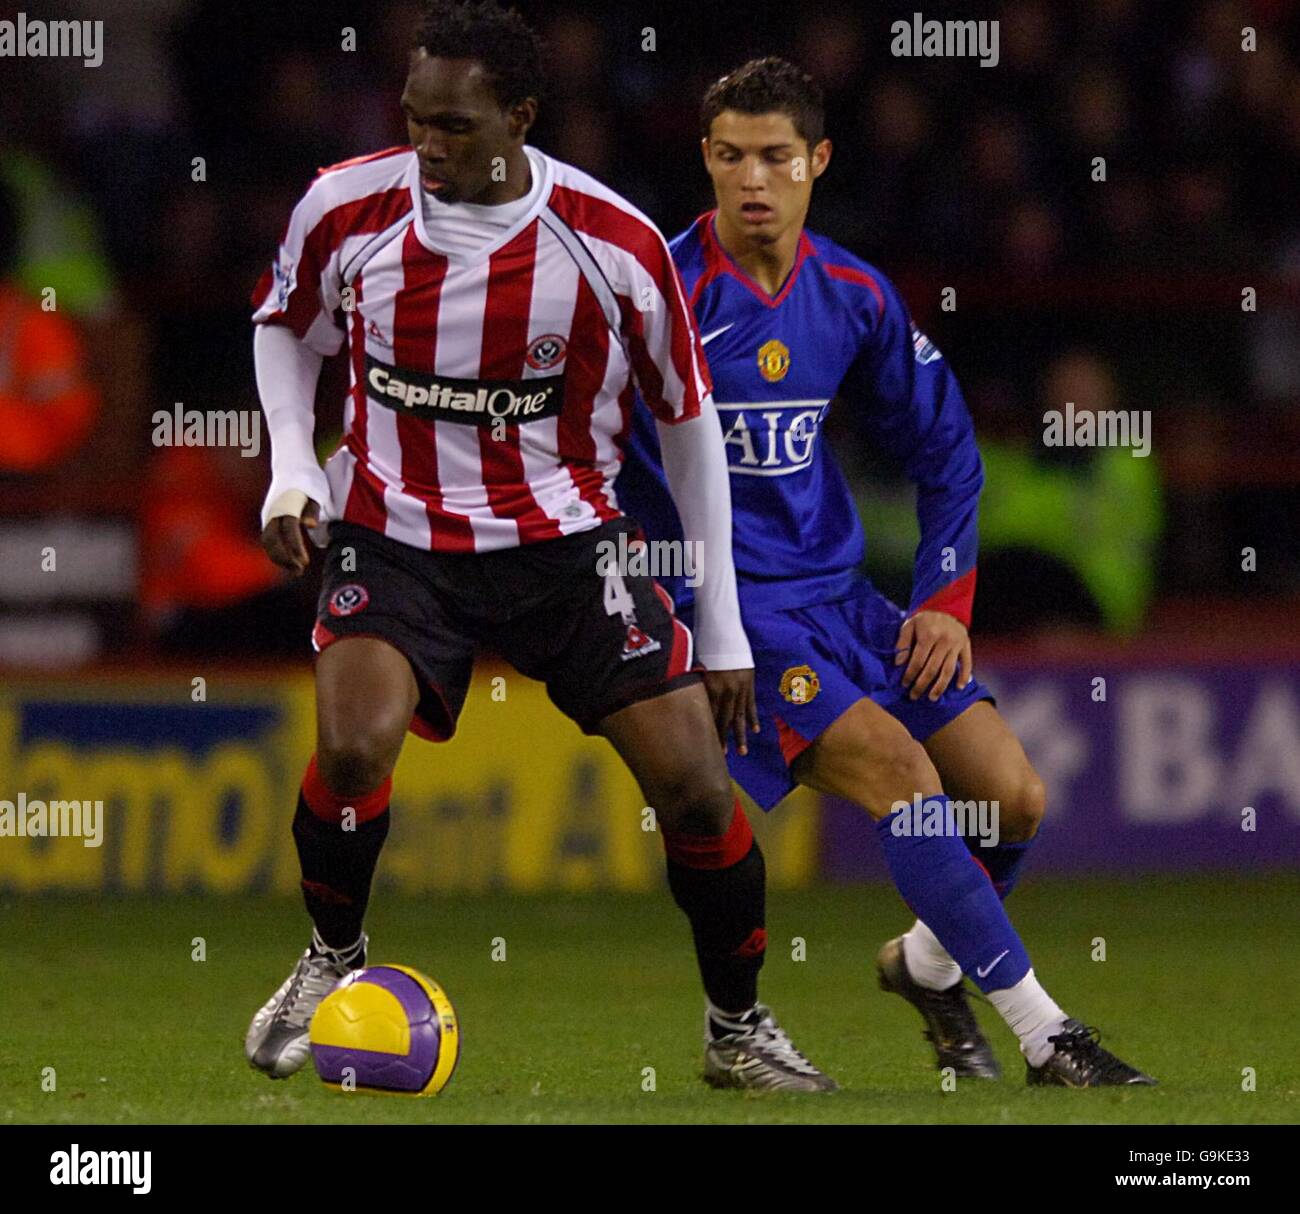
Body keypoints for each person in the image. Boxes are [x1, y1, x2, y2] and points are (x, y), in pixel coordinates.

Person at [244, 3, 832, 1093]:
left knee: (700, 791)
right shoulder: (345, 206)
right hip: (395, 531)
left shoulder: (611, 245)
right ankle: (330, 959)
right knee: (353, 748)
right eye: (415, 118)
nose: (427, 144)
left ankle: (736, 1027)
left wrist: (721, 623)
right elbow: (284, 324)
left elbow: (687, 422)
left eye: (455, 125)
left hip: (571, 549)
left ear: (519, 116)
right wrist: (290, 464)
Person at [616, 57, 1154, 1086]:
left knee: (1013, 796)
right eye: (730, 157)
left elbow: (949, 452)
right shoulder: (662, 299)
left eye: (775, 156)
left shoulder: (853, 297)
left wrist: (943, 605)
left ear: (817, 160)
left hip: (845, 599)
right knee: (904, 777)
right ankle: (1049, 1035)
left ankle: (924, 961)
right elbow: (580, 440)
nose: (752, 181)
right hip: (732, 614)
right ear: (707, 162)